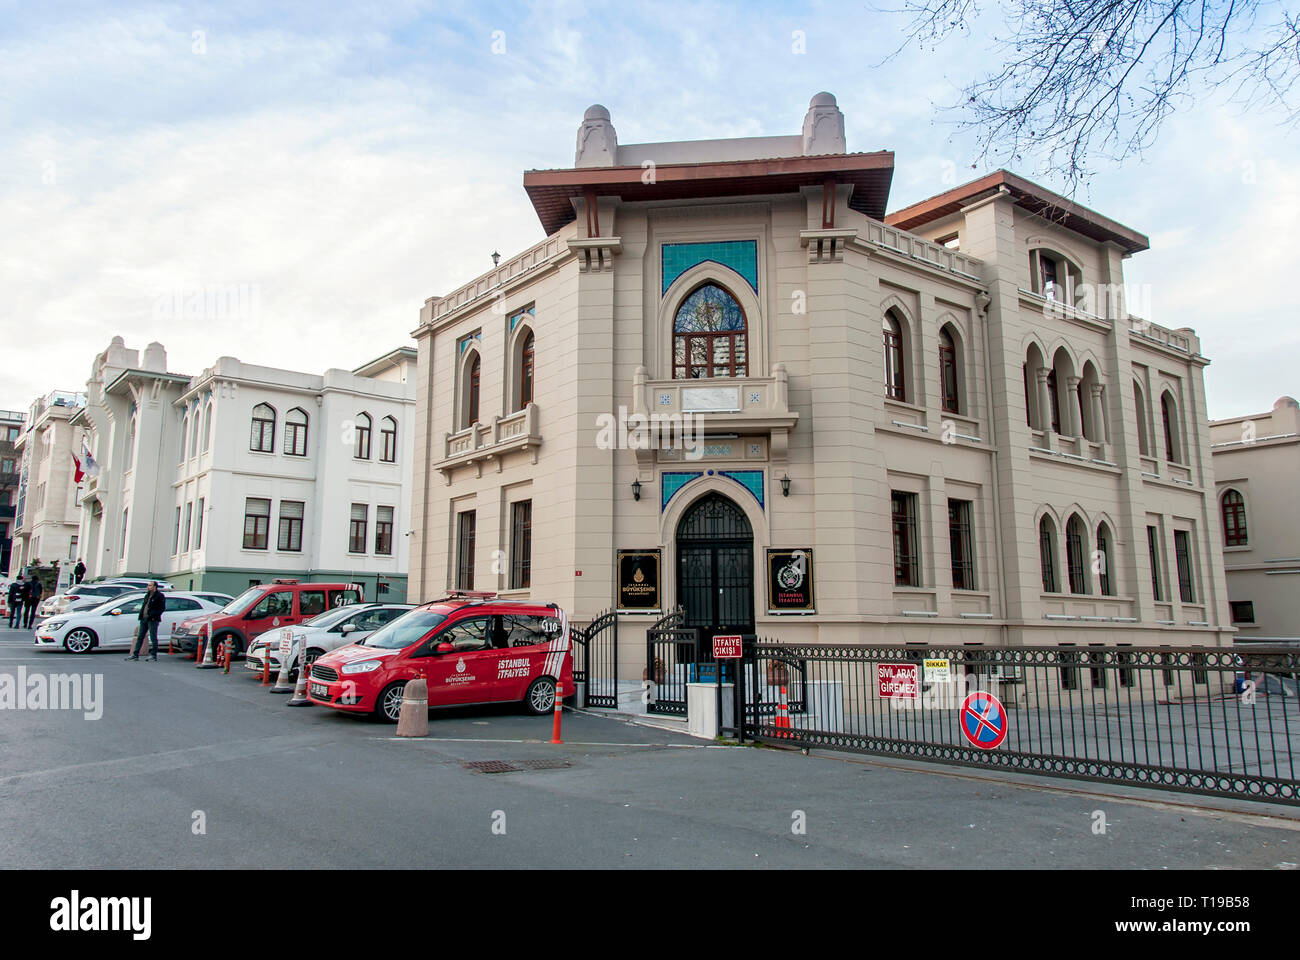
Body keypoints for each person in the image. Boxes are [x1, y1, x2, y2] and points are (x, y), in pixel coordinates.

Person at [126, 581, 166, 661]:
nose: (148, 587)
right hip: (144, 619)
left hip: (152, 620)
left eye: (150, 585)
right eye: (148, 585)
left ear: (155, 587)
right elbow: (144, 606)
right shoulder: (147, 595)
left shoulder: (159, 596)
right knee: (140, 637)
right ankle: (135, 654)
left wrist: (153, 615)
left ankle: (153, 655)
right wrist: (141, 616)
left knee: (153, 637)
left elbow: (161, 608)